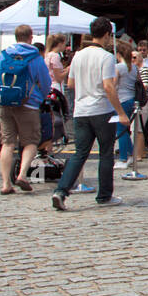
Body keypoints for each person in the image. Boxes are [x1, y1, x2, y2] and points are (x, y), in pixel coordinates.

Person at [52, 17, 130, 210]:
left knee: (80, 153)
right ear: (106, 35)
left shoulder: (78, 55)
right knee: (105, 153)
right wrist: (121, 113)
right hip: (101, 109)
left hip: (81, 110)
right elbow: (108, 87)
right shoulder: (106, 57)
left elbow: (70, 84)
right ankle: (104, 195)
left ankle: (61, 191)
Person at [0, 24, 52, 195]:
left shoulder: (3, 56)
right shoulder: (35, 58)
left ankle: (5, 183)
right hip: (28, 104)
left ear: (15, 37)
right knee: (31, 142)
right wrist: (40, 97)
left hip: (5, 103)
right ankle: (22, 174)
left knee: (7, 143)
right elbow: (46, 82)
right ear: (31, 38)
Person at [113, 40, 137, 169]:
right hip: (131, 99)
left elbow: (113, 84)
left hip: (121, 99)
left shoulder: (119, 67)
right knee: (125, 129)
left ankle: (123, 157)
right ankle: (130, 153)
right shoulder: (134, 68)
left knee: (120, 130)